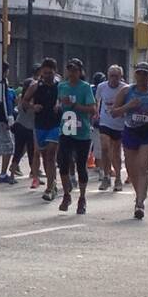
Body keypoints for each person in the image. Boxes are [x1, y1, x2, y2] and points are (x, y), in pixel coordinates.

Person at [112, 62, 148, 219]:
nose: (141, 77)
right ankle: (140, 195)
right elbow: (114, 113)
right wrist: (128, 106)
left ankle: (139, 203)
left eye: (145, 74)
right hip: (131, 130)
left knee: (143, 166)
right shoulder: (126, 91)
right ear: (135, 74)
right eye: (139, 73)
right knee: (131, 169)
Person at [56, 58, 97, 215]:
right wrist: (59, 106)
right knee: (63, 162)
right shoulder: (62, 86)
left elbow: (92, 109)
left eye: (75, 70)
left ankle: (82, 197)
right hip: (66, 128)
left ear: (80, 72)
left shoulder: (85, 88)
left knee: (81, 165)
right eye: (69, 70)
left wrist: (74, 106)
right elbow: (58, 104)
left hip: (82, 130)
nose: (72, 73)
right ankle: (66, 194)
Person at [23, 58, 63, 202]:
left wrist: (59, 104)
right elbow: (24, 101)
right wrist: (33, 107)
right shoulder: (35, 86)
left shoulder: (60, 85)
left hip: (55, 123)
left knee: (51, 154)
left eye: (50, 73)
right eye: (45, 73)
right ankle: (52, 182)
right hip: (40, 124)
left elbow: (65, 98)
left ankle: (50, 187)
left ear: (55, 72)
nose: (47, 76)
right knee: (45, 156)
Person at [95, 65, 126, 192]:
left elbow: (128, 104)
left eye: (116, 76)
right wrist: (96, 113)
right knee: (105, 147)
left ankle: (118, 178)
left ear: (120, 77)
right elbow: (97, 101)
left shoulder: (124, 88)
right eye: (111, 76)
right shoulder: (102, 86)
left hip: (118, 124)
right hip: (105, 122)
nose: (113, 79)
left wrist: (122, 111)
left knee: (116, 153)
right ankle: (106, 176)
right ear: (107, 76)